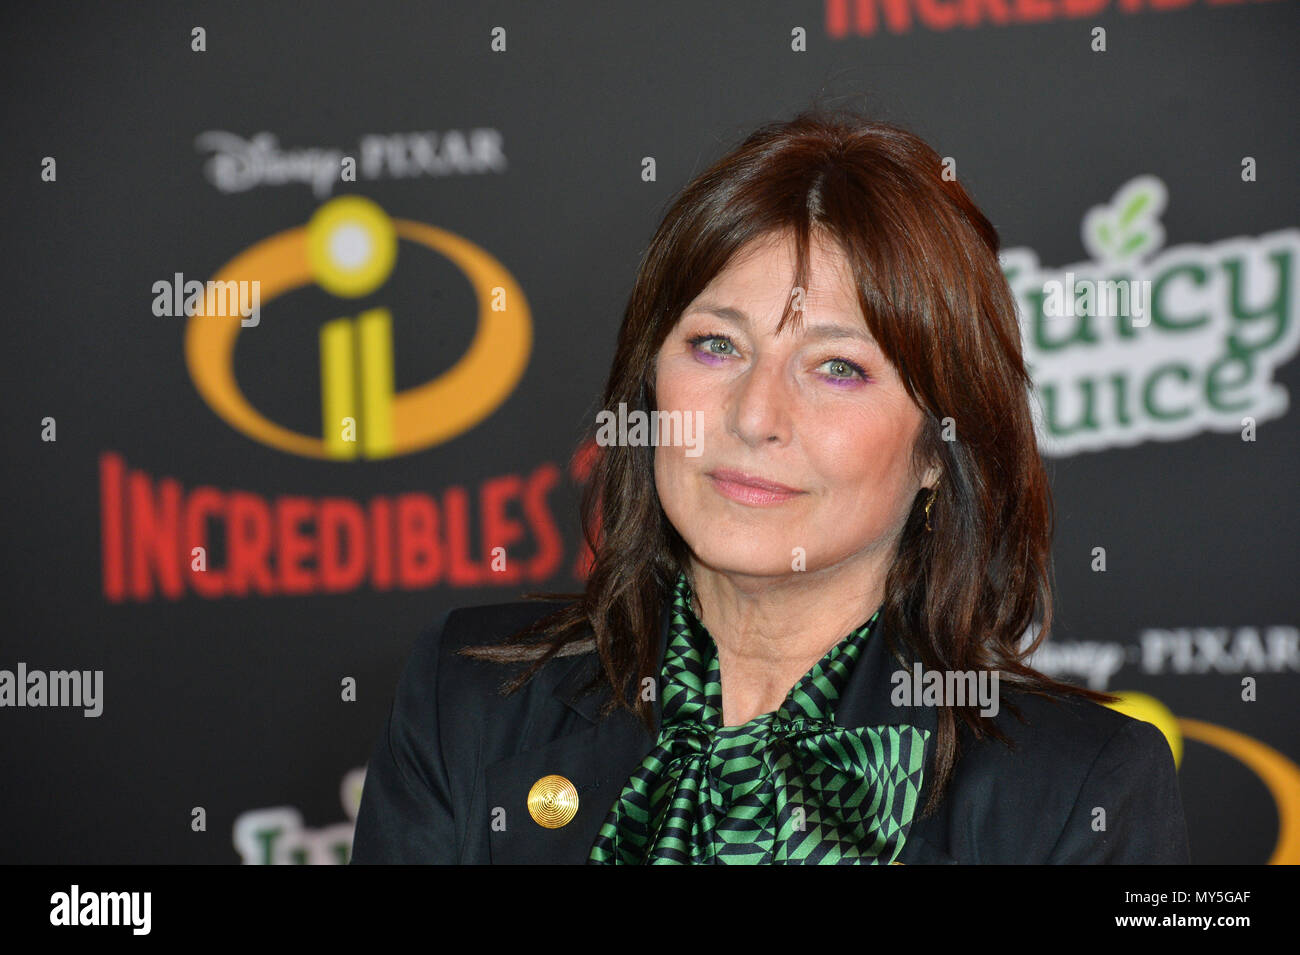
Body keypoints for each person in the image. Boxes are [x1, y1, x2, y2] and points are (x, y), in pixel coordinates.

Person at [350, 109, 1190, 865]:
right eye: (717, 346)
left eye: (837, 367)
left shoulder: (1081, 791)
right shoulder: (464, 700)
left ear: (940, 446)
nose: (756, 414)